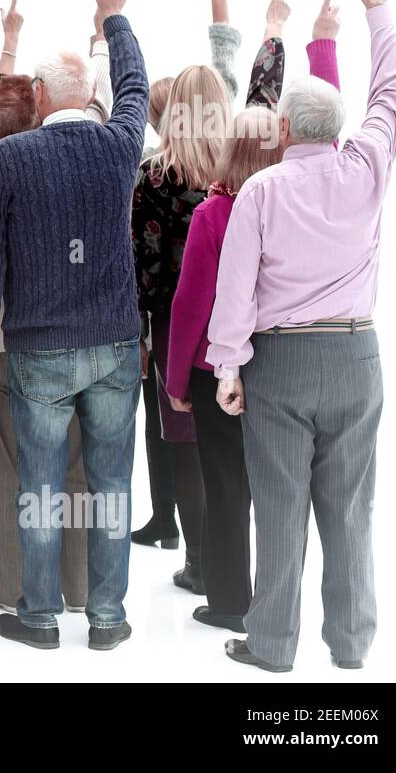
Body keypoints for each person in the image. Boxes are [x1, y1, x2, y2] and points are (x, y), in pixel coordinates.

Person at [208, 0, 396, 673]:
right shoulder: (368, 168)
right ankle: (352, 646)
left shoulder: (259, 195)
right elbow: (394, 93)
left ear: (285, 130)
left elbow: (236, 294)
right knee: (352, 513)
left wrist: (228, 367)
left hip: (281, 366)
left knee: (281, 510)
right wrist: (375, 7)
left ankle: (271, 647)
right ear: (335, 129)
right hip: (357, 358)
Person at [0, 0, 146, 652]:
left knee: (38, 484)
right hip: (113, 345)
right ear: (87, 92)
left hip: (38, 348)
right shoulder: (121, 143)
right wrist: (114, 17)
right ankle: (107, 618)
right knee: (110, 482)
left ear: (38, 95)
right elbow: (134, 86)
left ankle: (38, 616)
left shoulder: (11, 160)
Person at [166, 0, 343, 633]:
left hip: (221, 367)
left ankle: (230, 599)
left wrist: (177, 377)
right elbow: (331, 126)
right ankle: (282, 599)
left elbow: (190, 305)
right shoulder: (291, 200)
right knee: (280, 487)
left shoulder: (217, 213)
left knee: (223, 482)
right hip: (283, 361)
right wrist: (314, 43)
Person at [0, 0, 112, 615]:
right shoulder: (85, 166)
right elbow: (98, 108)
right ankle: (73, 584)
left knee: (9, 465)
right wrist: (102, 30)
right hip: (77, 339)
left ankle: (14, 585)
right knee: (71, 464)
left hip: (7, 348)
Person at [132, 55, 234, 597]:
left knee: (186, 444)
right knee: (234, 445)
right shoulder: (242, 173)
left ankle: (198, 563)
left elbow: (143, 267)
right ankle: (232, 562)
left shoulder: (153, 176)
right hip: (241, 322)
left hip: (176, 323)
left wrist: (144, 334)